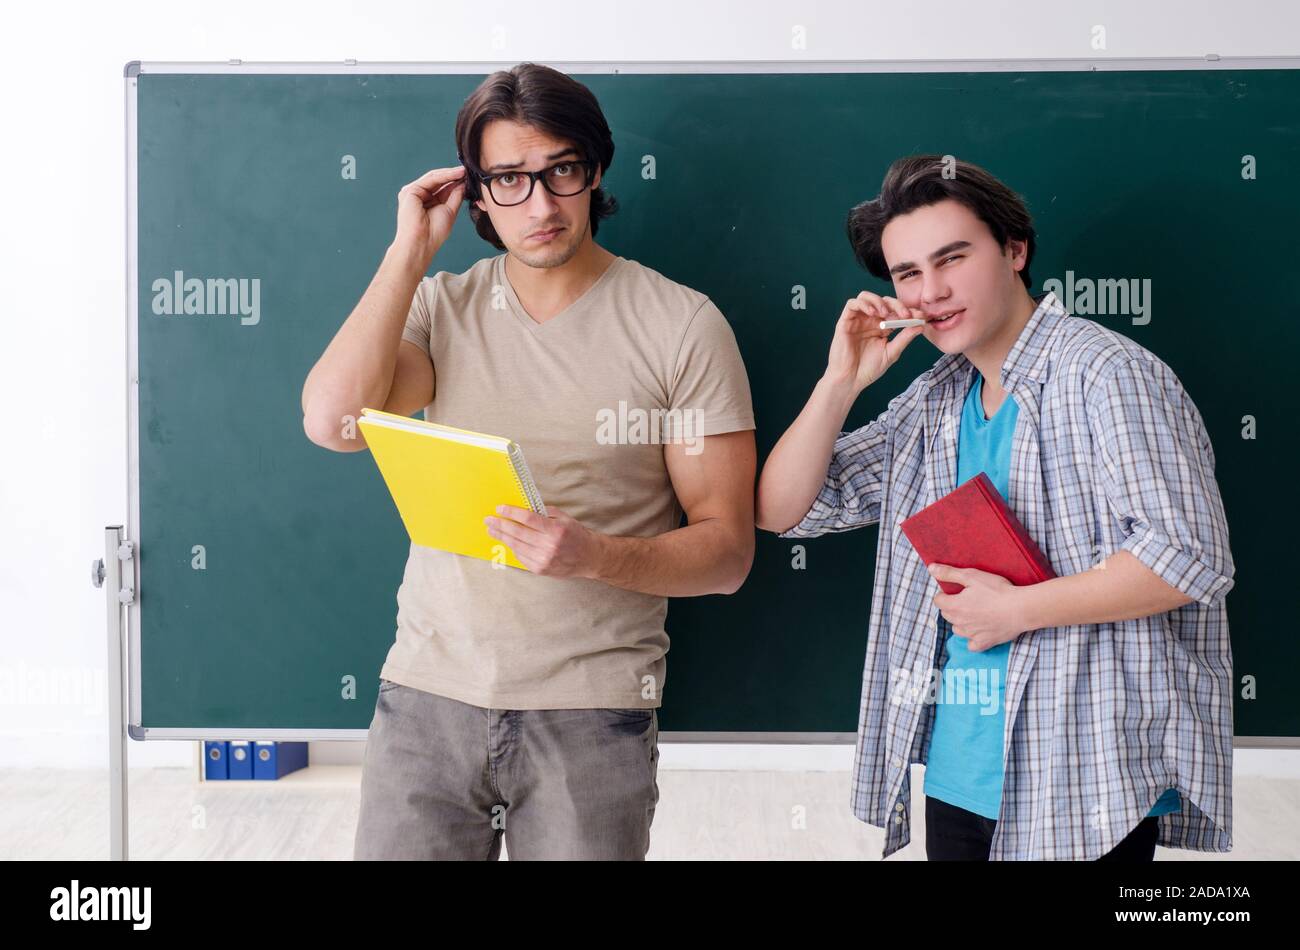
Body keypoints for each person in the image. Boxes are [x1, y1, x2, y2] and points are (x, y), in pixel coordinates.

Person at [302, 62, 756, 860]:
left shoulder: (683, 326)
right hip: (425, 698)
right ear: (475, 194)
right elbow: (333, 423)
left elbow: (726, 554)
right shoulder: (440, 309)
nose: (540, 205)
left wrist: (595, 556)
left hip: (591, 712)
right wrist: (409, 252)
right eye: (509, 179)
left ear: (595, 172)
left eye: (561, 172)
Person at [755, 155, 1234, 860]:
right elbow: (785, 508)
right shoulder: (933, 401)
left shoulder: (1106, 374)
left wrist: (1018, 610)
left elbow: (1189, 559)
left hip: (1081, 775)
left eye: (952, 258)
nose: (932, 291)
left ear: (1014, 251)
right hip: (959, 773)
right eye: (908, 275)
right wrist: (840, 381)